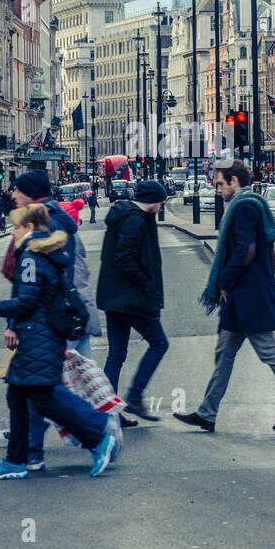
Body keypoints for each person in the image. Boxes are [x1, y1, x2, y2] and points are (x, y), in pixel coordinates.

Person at [176, 160, 275, 433]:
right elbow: (269, 251)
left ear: (234, 182)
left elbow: (246, 251)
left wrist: (224, 282)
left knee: (270, 353)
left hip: (246, 295)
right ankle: (207, 413)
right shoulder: (253, 205)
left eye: (219, 184)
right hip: (246, 296)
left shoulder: (244, 208)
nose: (217, 190)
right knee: (224, 353)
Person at [0, 204, 117, 479]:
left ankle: (98, 433)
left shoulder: (31, 256)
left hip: (38, 334)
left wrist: (2, 307)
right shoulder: (45, 250)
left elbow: (28, 300)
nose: (12, 232)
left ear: (29, 228)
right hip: (42, 332)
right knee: (20, 394)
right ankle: (16, 461)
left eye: (16, 227)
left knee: (44, 396)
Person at [97, 180, 170, 422]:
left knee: (116, 354)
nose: (162, 206)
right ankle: (135, 396)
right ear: (152, 199)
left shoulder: (126, 215)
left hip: (114, 297)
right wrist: (146, 284)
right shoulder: (135, 220)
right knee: (159, 343)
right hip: (131, 298)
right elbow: (124, 257)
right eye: (161, 201)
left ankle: (109, 412)